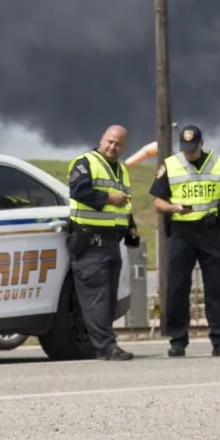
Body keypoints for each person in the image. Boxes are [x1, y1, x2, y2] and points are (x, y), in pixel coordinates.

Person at [152, 124, 220, 358]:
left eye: (193, 149)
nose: (189, 153)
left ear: (202, 144)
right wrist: (174, 207)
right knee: (178, 286)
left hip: (210, 231)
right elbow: (157, 202)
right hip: (182, 232)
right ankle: (178, 340)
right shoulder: (171, 165)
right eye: (185, 149)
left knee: (215, 287)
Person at [66, 124, 138, 361]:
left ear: (124, 146)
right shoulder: (85, 162)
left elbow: (124, 204)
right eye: (109, 141)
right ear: (101, 139)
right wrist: (108, 197)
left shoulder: (121, 170)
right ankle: (106, 348)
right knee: (96, 296)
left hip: (111, 241)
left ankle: (106, 344)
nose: (112, 146)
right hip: (89, 239)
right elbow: (78, 191)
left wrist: (131, 229)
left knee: (108, 296)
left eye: (118, 143)